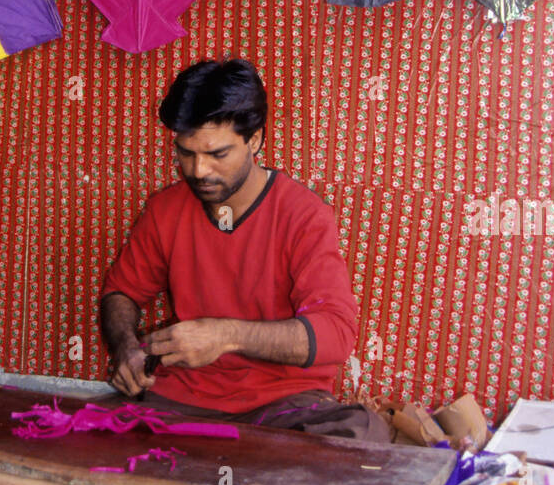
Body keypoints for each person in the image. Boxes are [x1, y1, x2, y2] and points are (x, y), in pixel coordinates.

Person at [100, 58, 390, 442]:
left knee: (363, 433)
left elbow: (336, 333)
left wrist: (227, 336)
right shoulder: (165, 210)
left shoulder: (302, 215)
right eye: (186, 153)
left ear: (254, 140)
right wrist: (125, 347)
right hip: (183, 399)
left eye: (217, 154)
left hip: (283, 404)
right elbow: (121, 292)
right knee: (91, 436)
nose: (198, 170)